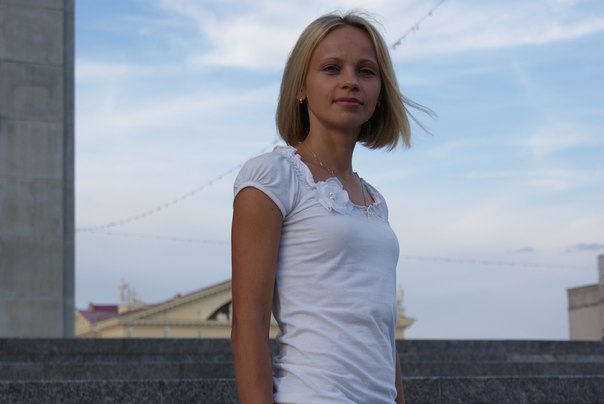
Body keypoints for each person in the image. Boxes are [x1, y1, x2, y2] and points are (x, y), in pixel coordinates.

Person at [231, 11, 422, 404]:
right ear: (301, 86)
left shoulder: (375, 201)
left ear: (380, 91)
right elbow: (248, 323)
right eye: (332, 68)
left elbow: (380, 329)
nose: (350, 80)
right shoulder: (273, 176)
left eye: (366, 71)